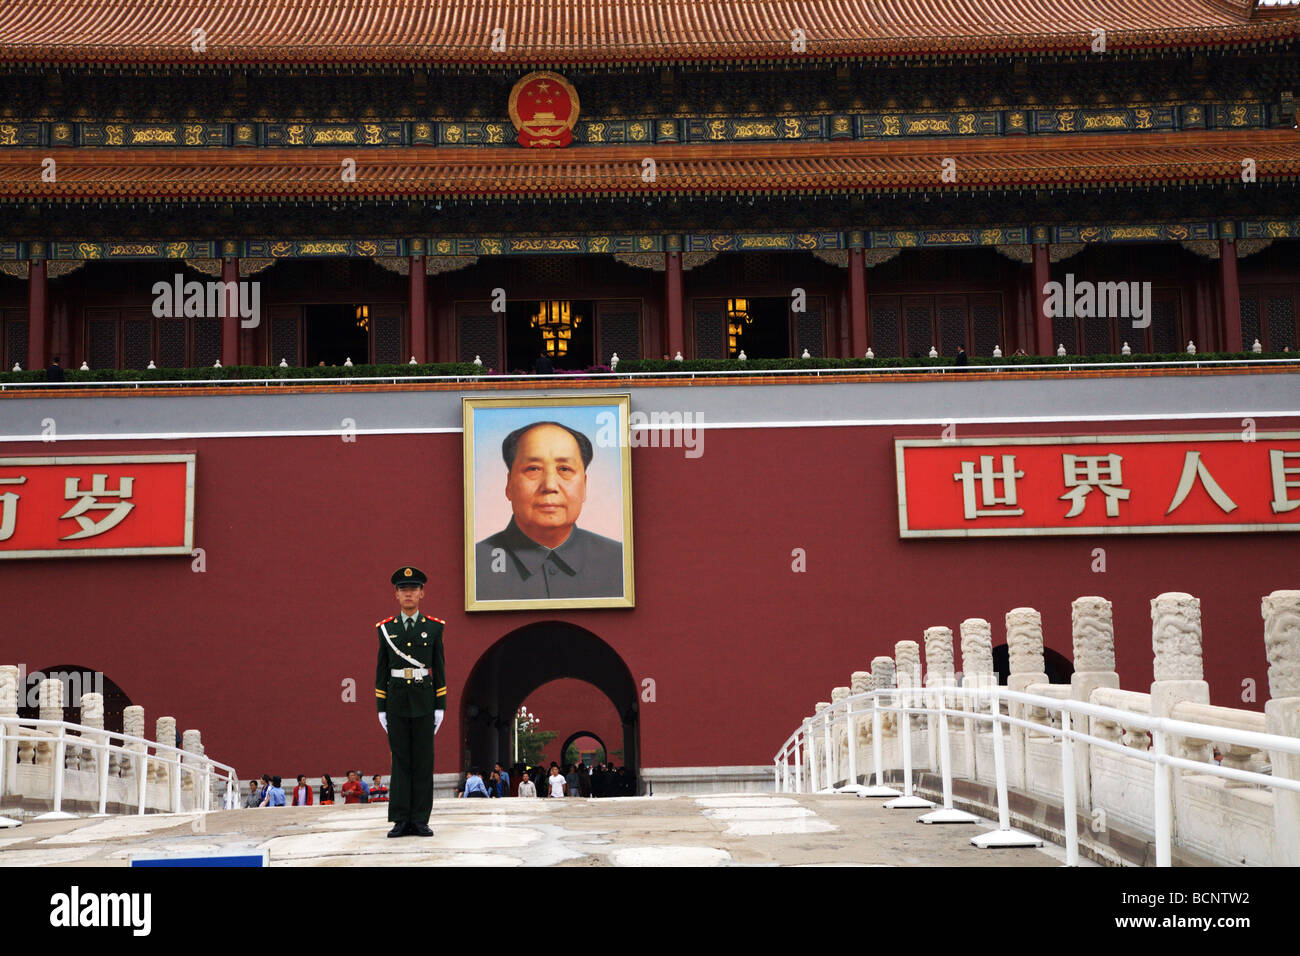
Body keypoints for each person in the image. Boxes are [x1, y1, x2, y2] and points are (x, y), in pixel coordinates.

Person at [473, 422, 623, 601]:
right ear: (509, 485)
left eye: (564, 469)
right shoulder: (473, 566)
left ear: (584, 485)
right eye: (533, 469)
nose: (550, 486)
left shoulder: (620, 562)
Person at [375, 566, 446, 838]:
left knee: (423, 762)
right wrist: (381, 708)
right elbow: (381, 671)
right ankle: (400, 819)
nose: (408, 594)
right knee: (401, 762)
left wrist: (441, 705)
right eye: (403, 590)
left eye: (413, 589)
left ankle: (420, 819)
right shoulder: (385, 629)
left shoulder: (434, 628)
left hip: (424, 701)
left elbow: (439, 668)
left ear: (422, 593)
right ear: (396, 594)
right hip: (395, 702)